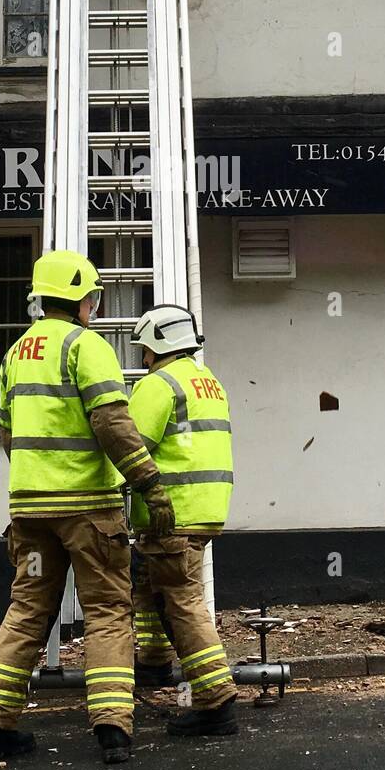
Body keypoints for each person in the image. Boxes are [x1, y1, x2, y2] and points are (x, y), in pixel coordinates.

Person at [0, 250, 176, 766]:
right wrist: (150, 485)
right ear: (85, 302)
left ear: (42, 298)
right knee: (108, 612)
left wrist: (34, 486)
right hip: (89, 508)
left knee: (27, 611)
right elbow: (113, 424)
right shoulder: (87, 347)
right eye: (93, 299)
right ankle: (113, 728)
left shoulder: (15, 352)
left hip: (29, 508)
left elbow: (7, 434)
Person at [127, 304, 238, 737]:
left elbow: (130, 448)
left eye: (144, 350)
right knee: (150, 585)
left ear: (157, 343)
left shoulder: (159, 385)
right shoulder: (207, 381)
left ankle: (216, 701)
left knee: (181, 602)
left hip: (170, 512)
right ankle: (153, 663)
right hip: (205, 511)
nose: (142, 358)